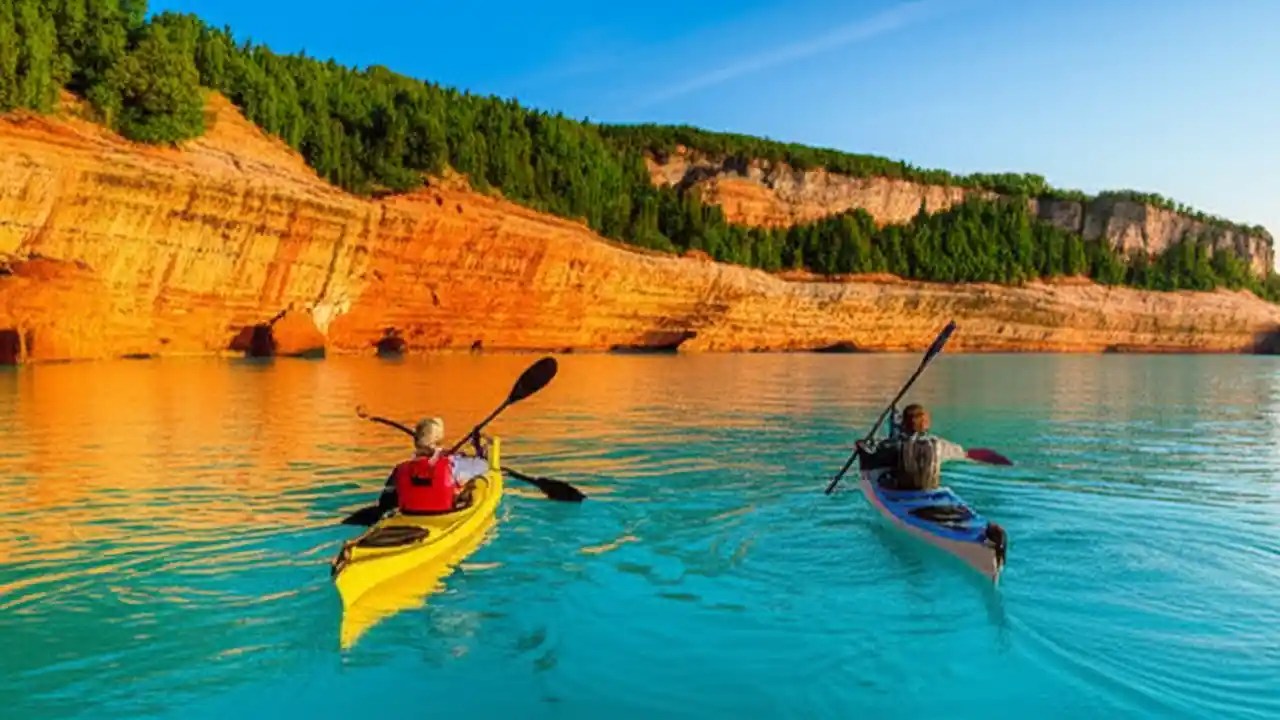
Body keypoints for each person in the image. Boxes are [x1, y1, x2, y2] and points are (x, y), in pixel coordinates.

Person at [377, 417, 491, 515]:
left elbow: (385, 502)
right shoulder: (453, 464)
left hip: (409, 515)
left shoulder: (400, 469)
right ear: (439, 443)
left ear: (415, 444)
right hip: (443, 517)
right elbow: (485, 466)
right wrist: (478, 447)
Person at [861, 403, 969, 491]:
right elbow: (960, 452)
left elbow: (870, 463)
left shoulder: (892, 446)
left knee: (879, 472)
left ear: (903, 423)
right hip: (929, 489)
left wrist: (861, 449)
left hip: (900, 490)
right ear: (926, 424)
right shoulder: (939, 444)